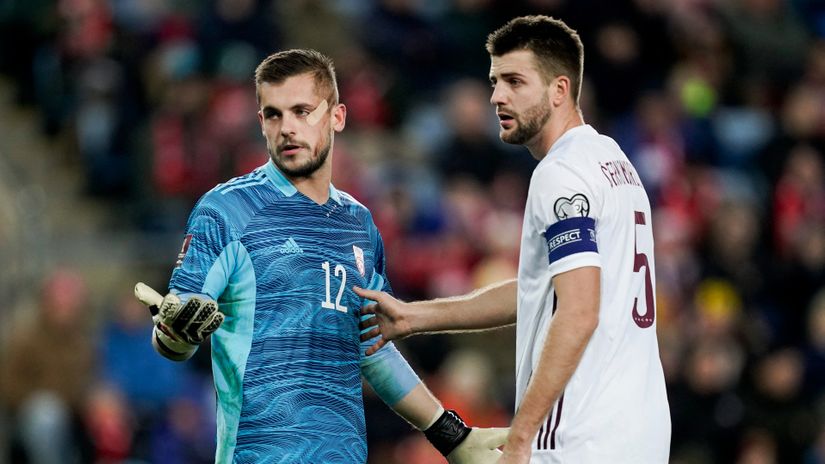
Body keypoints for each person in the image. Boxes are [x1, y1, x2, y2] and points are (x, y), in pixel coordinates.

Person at [133, 49, 507, 463]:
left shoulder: (360, 225)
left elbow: (373, 348)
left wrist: (450, 435)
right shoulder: (226, 211)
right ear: (261, 123)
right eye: (274, 115)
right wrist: (175, 335)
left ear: (337, 117)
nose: (287, 128)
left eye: (302, 111)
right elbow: (177, 326)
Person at [356, 16, 671, 463]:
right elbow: (544, 292)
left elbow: (579, 312)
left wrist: (522, 437)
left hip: (581, 435)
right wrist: (414, 317)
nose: (497, 96)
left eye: (515, 81)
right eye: (494, 81)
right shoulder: (613, 161)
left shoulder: (559, 174)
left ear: (560, 89)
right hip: (641, 430)